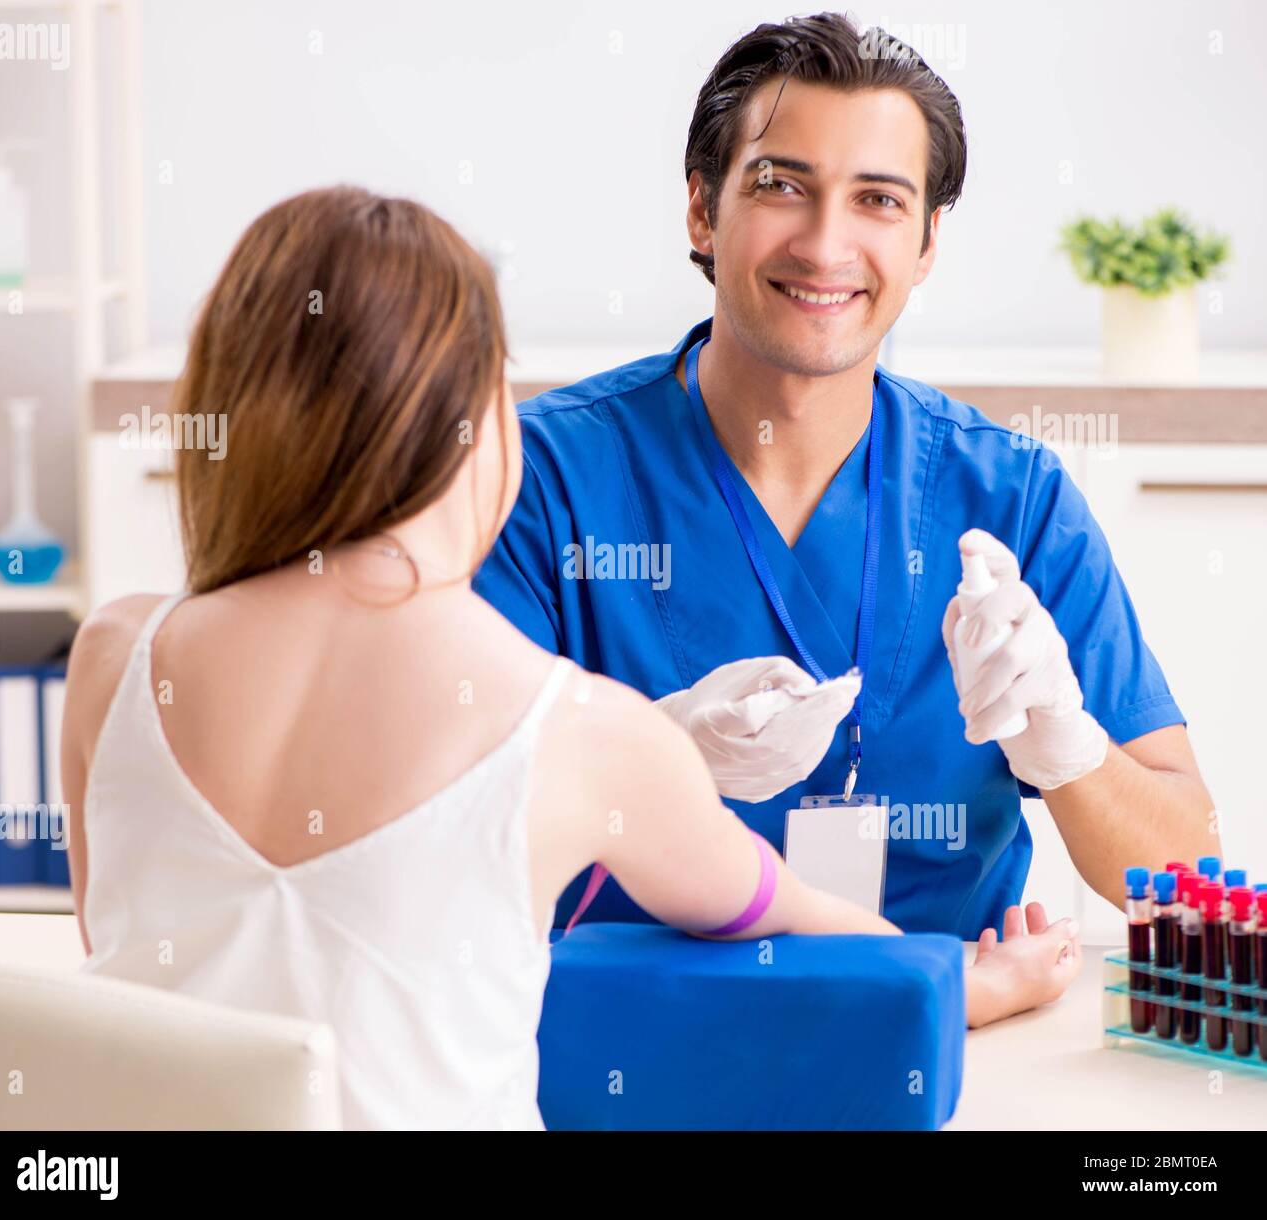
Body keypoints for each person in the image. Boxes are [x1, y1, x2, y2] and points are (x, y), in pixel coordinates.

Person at [61, 187, 1080, 1131]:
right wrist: (983, 981)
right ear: (473, 426)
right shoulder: (577, 727)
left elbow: (132, 954)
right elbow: (815, 938)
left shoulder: (111, 658)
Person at [472, 13, 1217, 938]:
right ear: (704, 208)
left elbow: (1186, 877)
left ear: (928, 241)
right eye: (782, 185)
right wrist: (650, 754)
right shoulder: (541, 481)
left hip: (948, 1057)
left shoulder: (1011, 497)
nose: (825, 246)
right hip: (639, 1046)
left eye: (879, 200)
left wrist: (1070, 743)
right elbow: (446, 841)